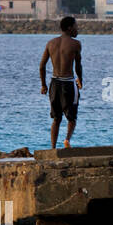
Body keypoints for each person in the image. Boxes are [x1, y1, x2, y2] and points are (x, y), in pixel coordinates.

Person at [39, 16, 83, 149]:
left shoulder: (50, 43)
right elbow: (78, 66)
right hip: (68, 83)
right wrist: (80, 79)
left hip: (54, 84)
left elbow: (42, 66)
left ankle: (52, 147)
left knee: (56, 118)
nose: (77, 29)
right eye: (76, 26)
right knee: (72, 117)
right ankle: (67, 140)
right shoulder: (76, 44)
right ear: (70, 28)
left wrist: (43, 84)